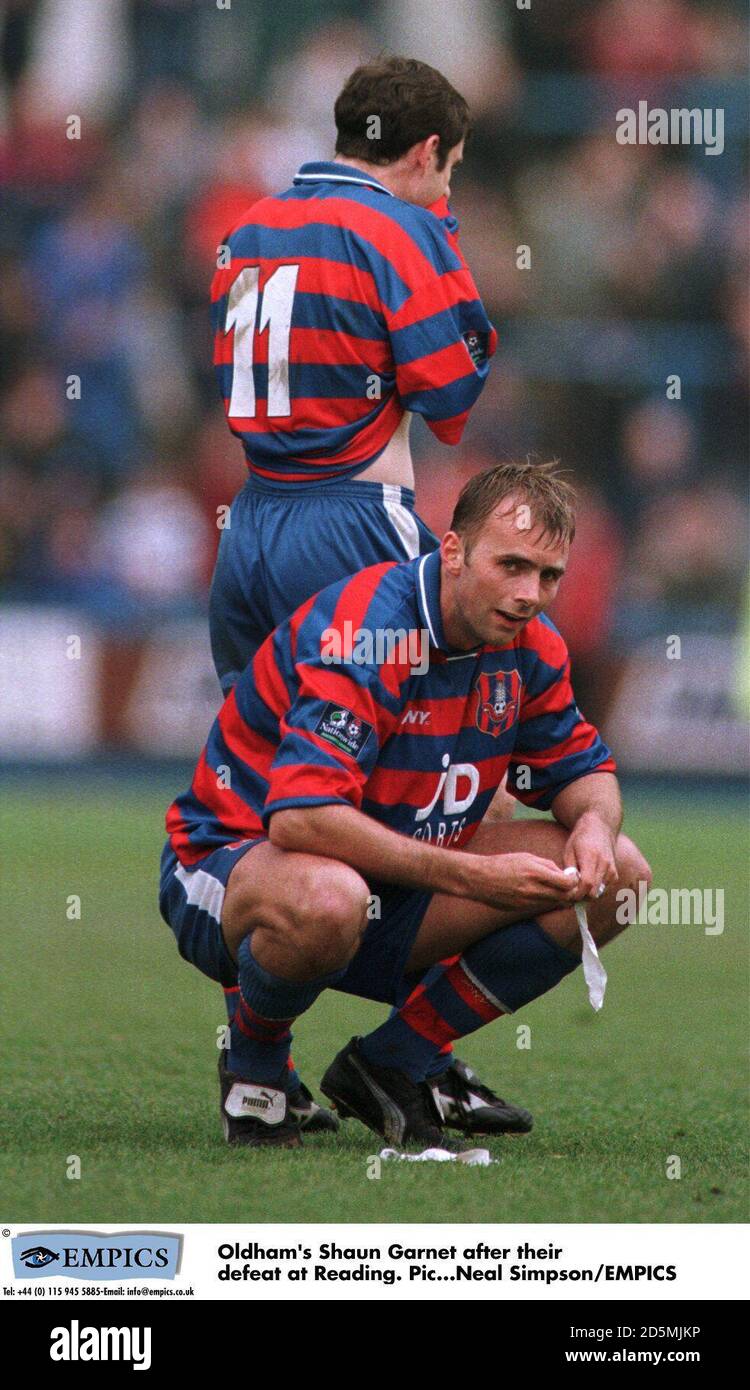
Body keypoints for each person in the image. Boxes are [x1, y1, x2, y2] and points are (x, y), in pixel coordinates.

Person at [160, 460, 652, 1152]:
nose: (528, 594)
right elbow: (302, 818)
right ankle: (257, 1067)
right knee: (330, 896)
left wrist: (596, 827)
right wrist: (475, 878)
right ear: (452, 553)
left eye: (548, 576)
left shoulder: (532, 646)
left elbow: (585, 771)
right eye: (510, 565)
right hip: (228, 867)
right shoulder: (371, 631)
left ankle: (392, 1061)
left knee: (622, 877)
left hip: (390, 885)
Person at [206, 54, 518, 1133]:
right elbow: (452, 393)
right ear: (428, 152)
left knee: (268, 787)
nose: (448, 188)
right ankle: (406, 1054)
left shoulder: (249, 225)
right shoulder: (405, 228)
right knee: (416, 769)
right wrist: (449, 246)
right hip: (352, 520)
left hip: (250, 523)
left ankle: (257, 1060)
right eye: (451, 170)